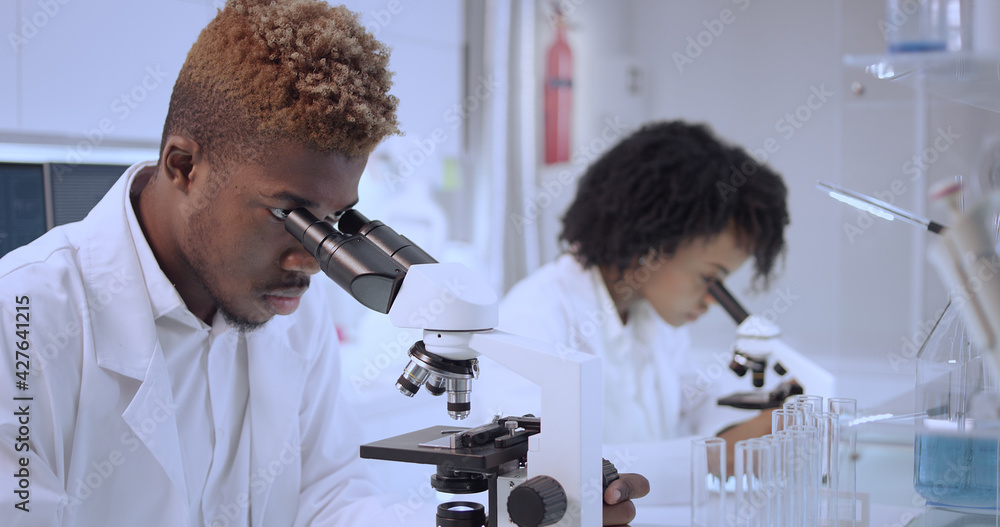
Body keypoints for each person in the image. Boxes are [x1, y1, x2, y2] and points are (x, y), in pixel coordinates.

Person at [0, 1, 644, 525]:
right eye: (291, 215)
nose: (310, 260)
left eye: (333, 223)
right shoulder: (23, 322)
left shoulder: (282, 304)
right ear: (184, 166)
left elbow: (328, 497)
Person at [497, 120, 790, 507]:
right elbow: (539, 470)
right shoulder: (535, 315)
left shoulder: (649, 312)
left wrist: (750, 429)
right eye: (709, 278)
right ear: (651, 242)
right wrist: (719, 454)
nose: (712, 301)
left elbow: (696, 403)